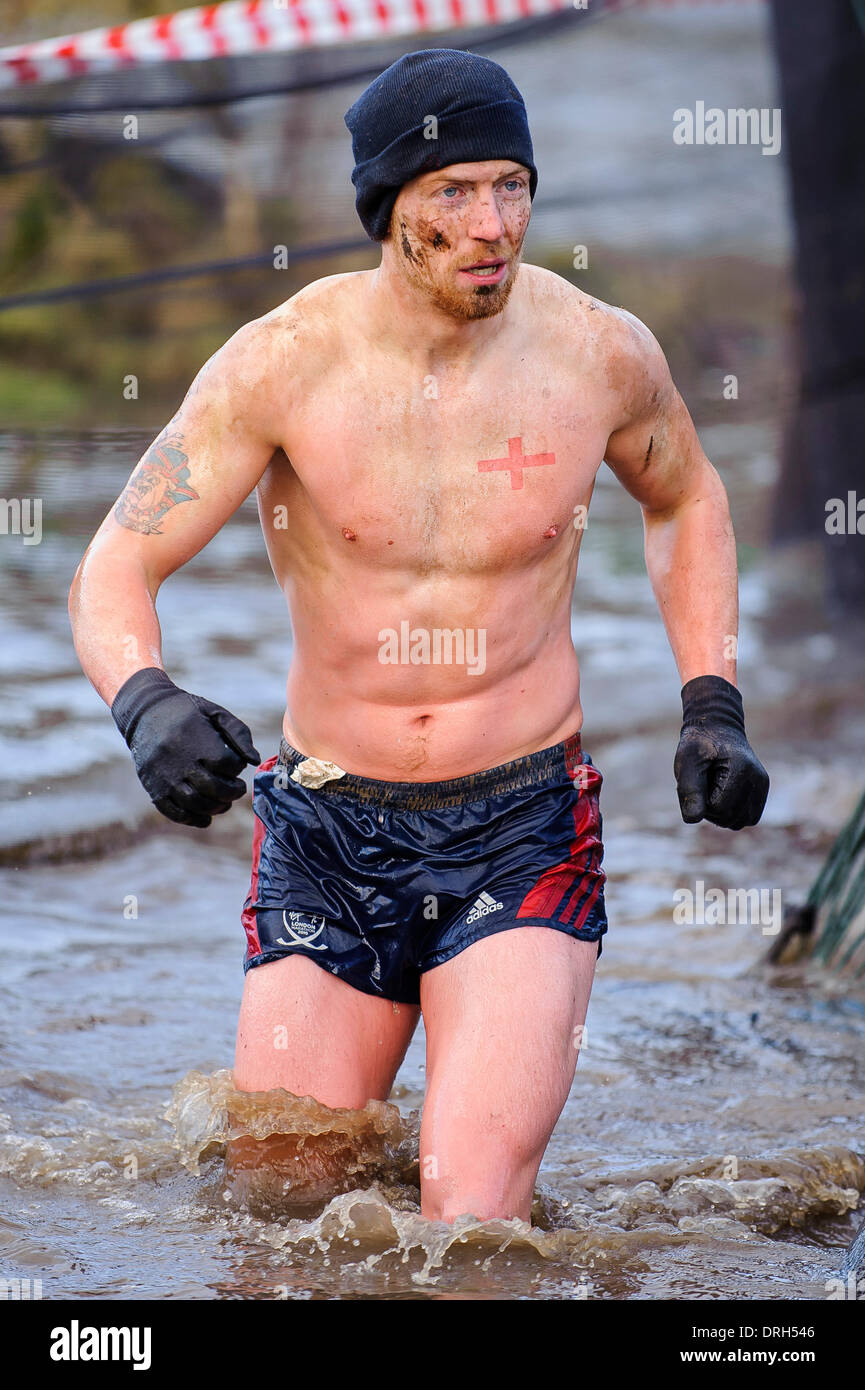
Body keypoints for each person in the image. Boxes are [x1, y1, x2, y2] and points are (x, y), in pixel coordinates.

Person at [68, 49, 769, 1224]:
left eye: (511, 185)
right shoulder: (283, 364)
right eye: (453, 192)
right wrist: (145, 702)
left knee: (473, 1226)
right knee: (280, 1208)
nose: (492, 224)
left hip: (521, 820)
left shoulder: (598, 352)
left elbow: (686, 497)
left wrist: (713, 701)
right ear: (386, 207)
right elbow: (114, 562)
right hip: (328, 830)